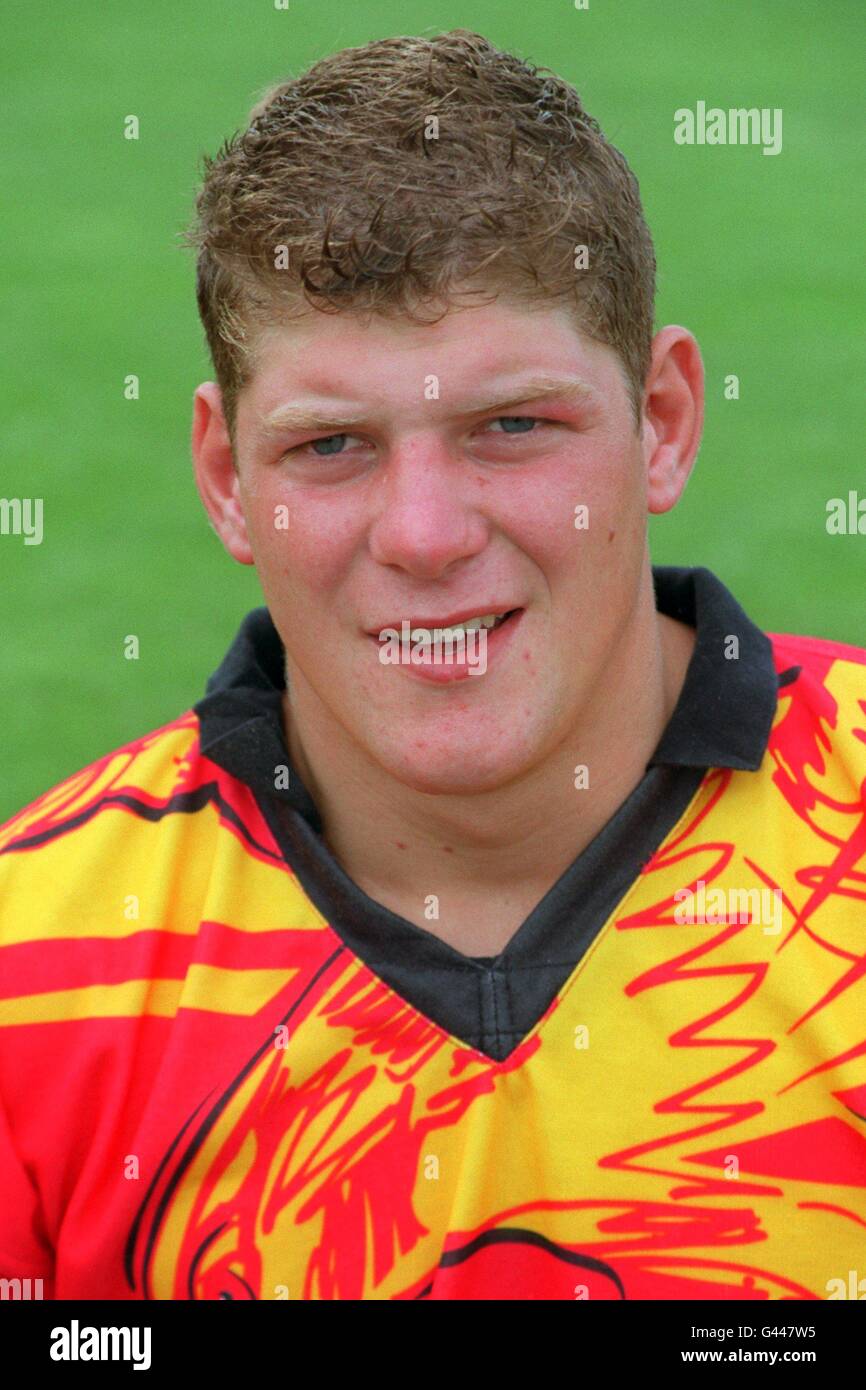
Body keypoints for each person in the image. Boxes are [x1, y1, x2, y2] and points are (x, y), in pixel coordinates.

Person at [1, 28, 864, 1303]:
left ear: (661, 424)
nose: (422, 535)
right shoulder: (33, 972)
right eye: (332, 445)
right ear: (228, 480)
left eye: (511, 426)